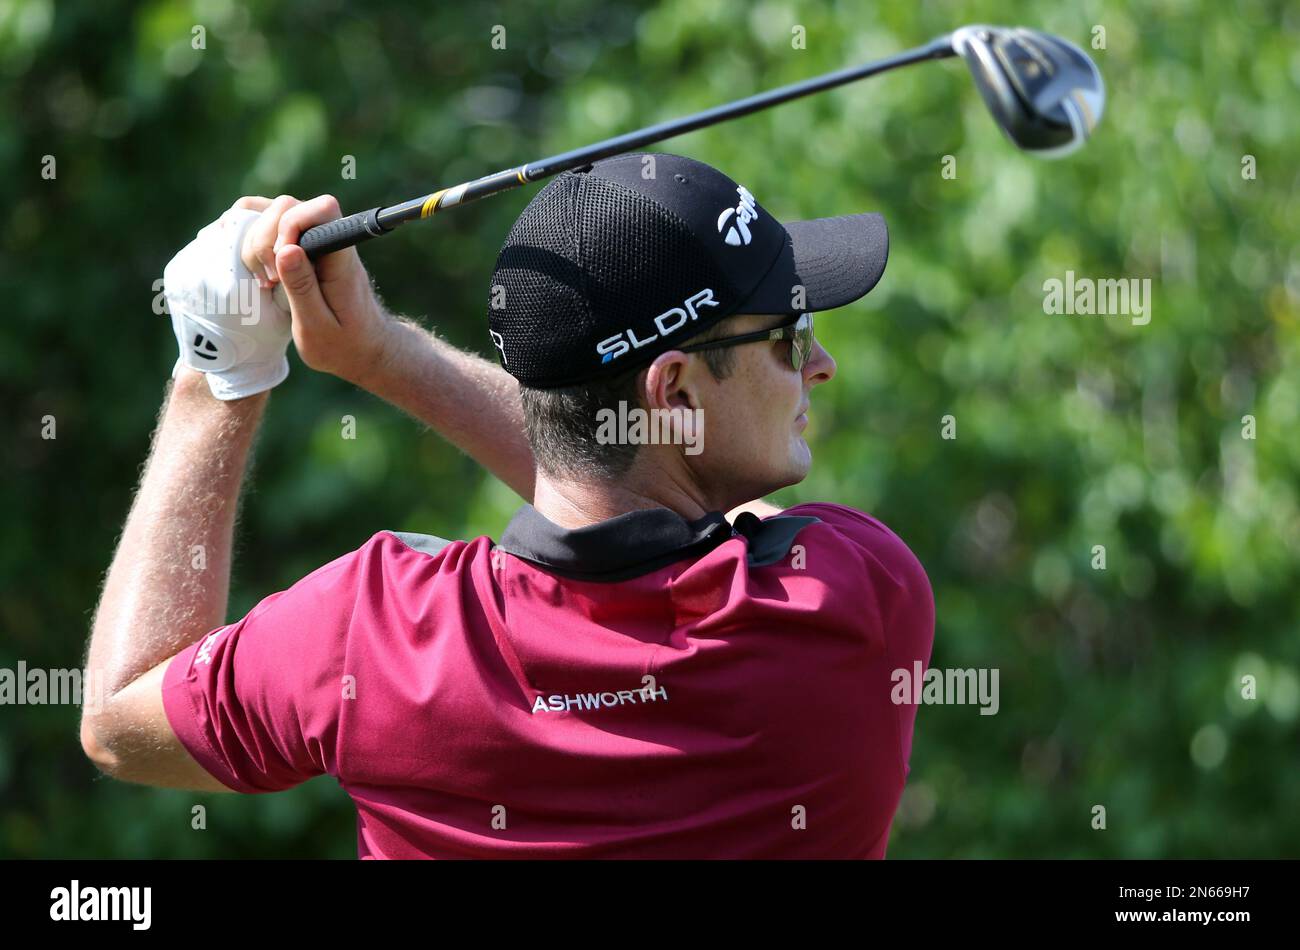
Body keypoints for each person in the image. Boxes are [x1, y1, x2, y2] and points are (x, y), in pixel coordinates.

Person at [82, 153, 934, 858]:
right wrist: (384, 355)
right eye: (787, 335)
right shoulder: (852, 599)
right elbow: (635, 505)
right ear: (672, 388)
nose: (818, 363)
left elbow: (120, 720)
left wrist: (216, 374)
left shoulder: (370, 636)